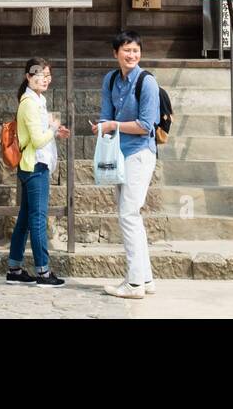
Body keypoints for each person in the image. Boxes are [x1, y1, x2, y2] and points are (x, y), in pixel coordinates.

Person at [93, 30, 160, 299]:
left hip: (140, 153)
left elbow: (146, 126)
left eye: (135, 50)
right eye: (126, 50)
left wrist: (112, 125)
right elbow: (106, 115)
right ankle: (145, 279)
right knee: (131, 216)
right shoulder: (110, 80)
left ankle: (133, 284)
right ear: (115, 54)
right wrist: (101, 126)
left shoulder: (148, 82)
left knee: (128, 215)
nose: (132, 55)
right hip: (119, 154)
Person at [6, 56, 71, 287]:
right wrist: (53, 129)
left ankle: (14, 269)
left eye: (47, 75)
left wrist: (55, 131)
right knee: (38, 219)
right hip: (35, 167)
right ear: (28, 77)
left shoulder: (36, 101)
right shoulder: (30, 103)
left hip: (32, 166)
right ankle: (43, 272)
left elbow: (41, 136)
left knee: (25, 220)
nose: (44, 78)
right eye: (39, 74)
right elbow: (37, 140)